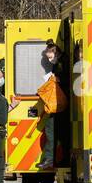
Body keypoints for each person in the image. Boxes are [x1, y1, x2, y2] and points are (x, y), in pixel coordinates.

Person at [35, 41, 64, 171]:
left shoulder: (61, 64)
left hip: (59, 104)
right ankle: (56, 159)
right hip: (59, 104)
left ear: (55, 52)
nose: (49, 60)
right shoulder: (60, 63)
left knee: (50, 131)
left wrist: (57, 78)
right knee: (55, 132)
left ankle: (49, 159)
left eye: (50, 57)